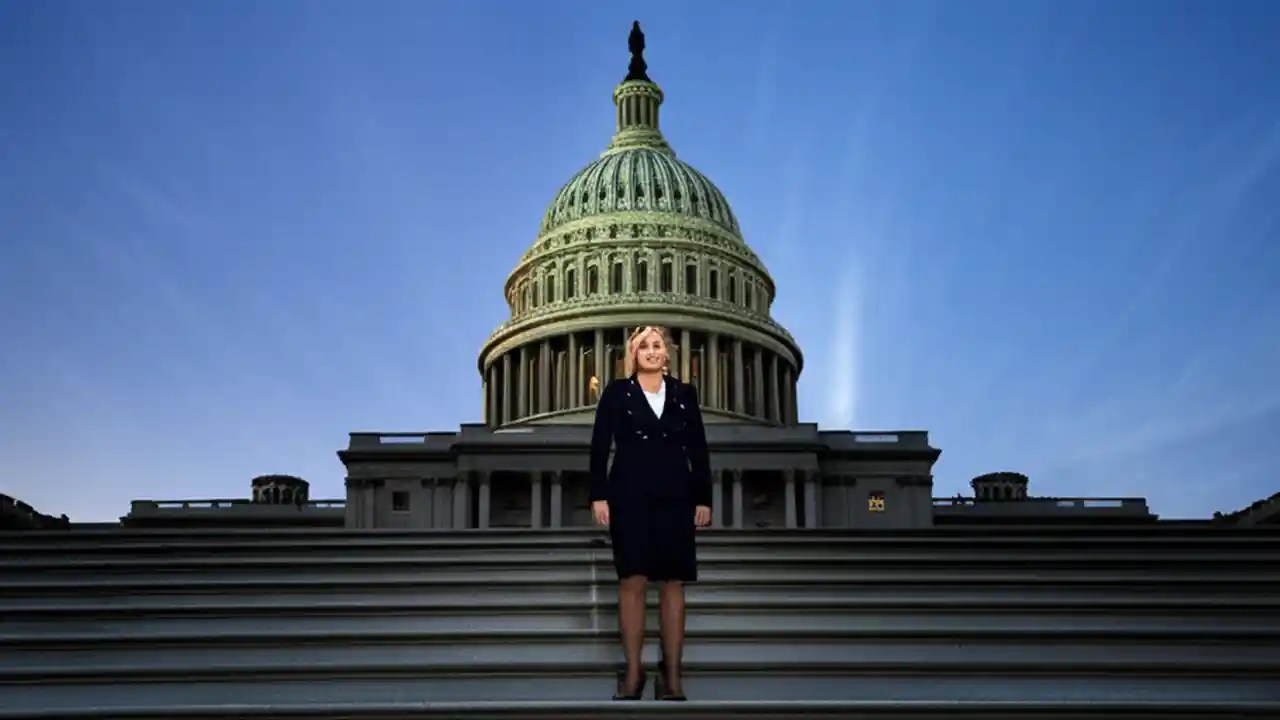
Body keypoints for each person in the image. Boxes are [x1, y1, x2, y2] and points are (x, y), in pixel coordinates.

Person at [589, 325, 713, 701]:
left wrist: (703, 498)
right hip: (628, 492)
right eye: (644, 345)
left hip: (676, 493)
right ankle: (633, 672)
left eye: (657, 344)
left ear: (667, 354)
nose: (652, 350)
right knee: (633, 580)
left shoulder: (683, 394)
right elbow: (599, 446)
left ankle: (672, 674)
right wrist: (599, 495)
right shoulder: (616, 393)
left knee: (673, 583)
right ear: (633, 354)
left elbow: (699, 449)